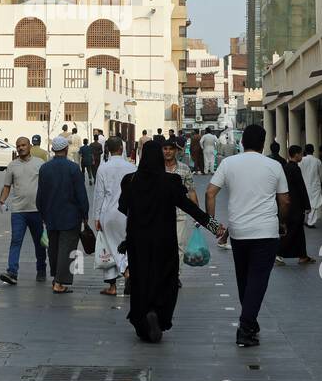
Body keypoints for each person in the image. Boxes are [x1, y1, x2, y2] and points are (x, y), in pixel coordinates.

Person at [119, 140, 227, 342]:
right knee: (165, 279)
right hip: (165, 241)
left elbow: (123, 207)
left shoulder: (130, 181)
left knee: (141, 280)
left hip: (138, 241)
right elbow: (190, 207)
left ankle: (142, 319)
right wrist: (214, 227)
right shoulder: (171, 182)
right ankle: (159, 315)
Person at [206, 125, 288, 346]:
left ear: (242, 143)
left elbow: (210, 192)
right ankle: (246, 326)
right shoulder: (274, 166)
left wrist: (214, 225)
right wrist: (282, 222)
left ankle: (250, 322)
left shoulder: (229, 163)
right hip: (266, 232)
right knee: (258, 281)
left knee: (244, 280)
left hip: (239, 232)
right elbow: (285, 200)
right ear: (263, 143)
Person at [36, 134, 90, 294]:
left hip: (51, 214)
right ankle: (60, 282)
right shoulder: (73, 168)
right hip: (70, 215)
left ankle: (55, 276)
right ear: (66, 149)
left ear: (53, 150)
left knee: (53, 248)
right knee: (67, 248)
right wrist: (85, 213)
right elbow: (81, 193)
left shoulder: (44, 168)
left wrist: (42, 212)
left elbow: (40, 195)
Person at [0, 137, 46, 285]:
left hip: (36, 210)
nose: (21, 148)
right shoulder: (12, 166)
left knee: (39, 243)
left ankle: (41, 269)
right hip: (18, 211)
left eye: (23, 145)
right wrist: (2, 200)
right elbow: (7, 186)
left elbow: (46, 186)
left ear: (30, 146)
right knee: (16, 241)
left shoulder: (40, 164)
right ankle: (12, 272)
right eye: (18, 146)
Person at [94, 136, 137, 295]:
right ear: (121, 148)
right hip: (128, 213)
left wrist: (96, 217)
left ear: (107, 149)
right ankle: (128, 272)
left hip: (109, 213)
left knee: (109, 248)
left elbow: (99, 195)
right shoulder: (132, 167)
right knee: (128, 246)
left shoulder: (103, 168)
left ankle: (114, 284)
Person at [164, 137, 199, 264]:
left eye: (171, 149)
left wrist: (197, 214)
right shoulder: (156, 169)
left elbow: (191, 191)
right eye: (165, 149)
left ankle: (176, 276)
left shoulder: (184, 169)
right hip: (160, 215)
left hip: (180, 214)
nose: (168, 152)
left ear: (176, 151)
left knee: (179, 245)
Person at [279, 146, 316, 264]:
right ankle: (278, 253)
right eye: (300, 154)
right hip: (296, 205)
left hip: (290, 203)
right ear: (295, 155)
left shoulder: (285, 167)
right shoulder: (295, 169)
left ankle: (302, 255)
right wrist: (307, 205)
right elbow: (301, 188)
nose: (302, 156)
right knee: (293, 230)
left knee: (299, 231)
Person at [300, 143, 322, 227]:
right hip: (315, 186)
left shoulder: (301, 160)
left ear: (305, 151)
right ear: (313, 151)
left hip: (304, 185)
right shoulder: (317, 161)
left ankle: (307, 220)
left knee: (305, 203)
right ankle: (310, 222)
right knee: (314, 204)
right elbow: (321, 174)